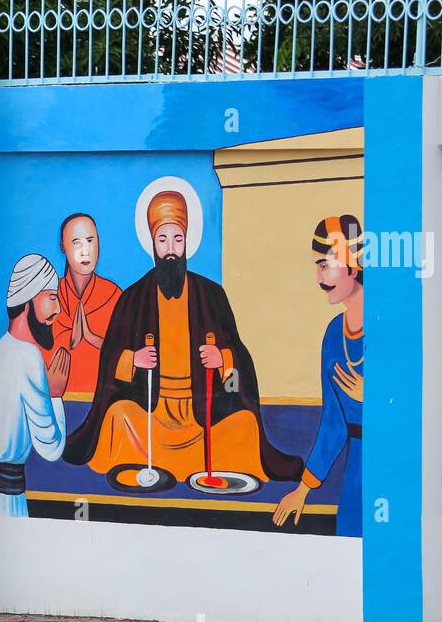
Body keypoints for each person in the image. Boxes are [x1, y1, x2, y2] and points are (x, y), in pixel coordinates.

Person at [63, 189, 302, 483]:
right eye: (162, 240)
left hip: (202, 418)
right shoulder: (133, 298)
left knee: (245, 426)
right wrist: (133, 360)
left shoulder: (211, 295)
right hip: (152, 417)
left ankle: (177, 464)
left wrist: (223, 358)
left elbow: (239, 360)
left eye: (178, 239)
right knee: (118, 417)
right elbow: (111, 358)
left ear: (188, 240)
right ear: (152, 243)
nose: (171, 248)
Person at [273, 215, 364, 535]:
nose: (318, 276)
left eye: (325, 265)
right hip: (356, 468)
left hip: (394, 459)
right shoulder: (333, 334)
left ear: (353, 267)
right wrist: (303, 490)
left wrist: (378, 398)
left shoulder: (390, 325)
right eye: (317, 266)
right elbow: (333, 424)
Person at [0, 254, 70, 517]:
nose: (57, 310)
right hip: (7, 501)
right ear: (27, 301)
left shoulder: (1, 348)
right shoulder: (28, 356)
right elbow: (51, 448)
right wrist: (56, 394)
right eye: (51, 297)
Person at [41, 212, 123, 396]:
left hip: (105, 405)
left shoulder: (114, 296)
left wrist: (94, 339)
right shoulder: (49, 296)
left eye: (90, 241)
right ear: (63, 247)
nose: (85, 251)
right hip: (54, 404)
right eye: (76, 242)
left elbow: (129, 357)